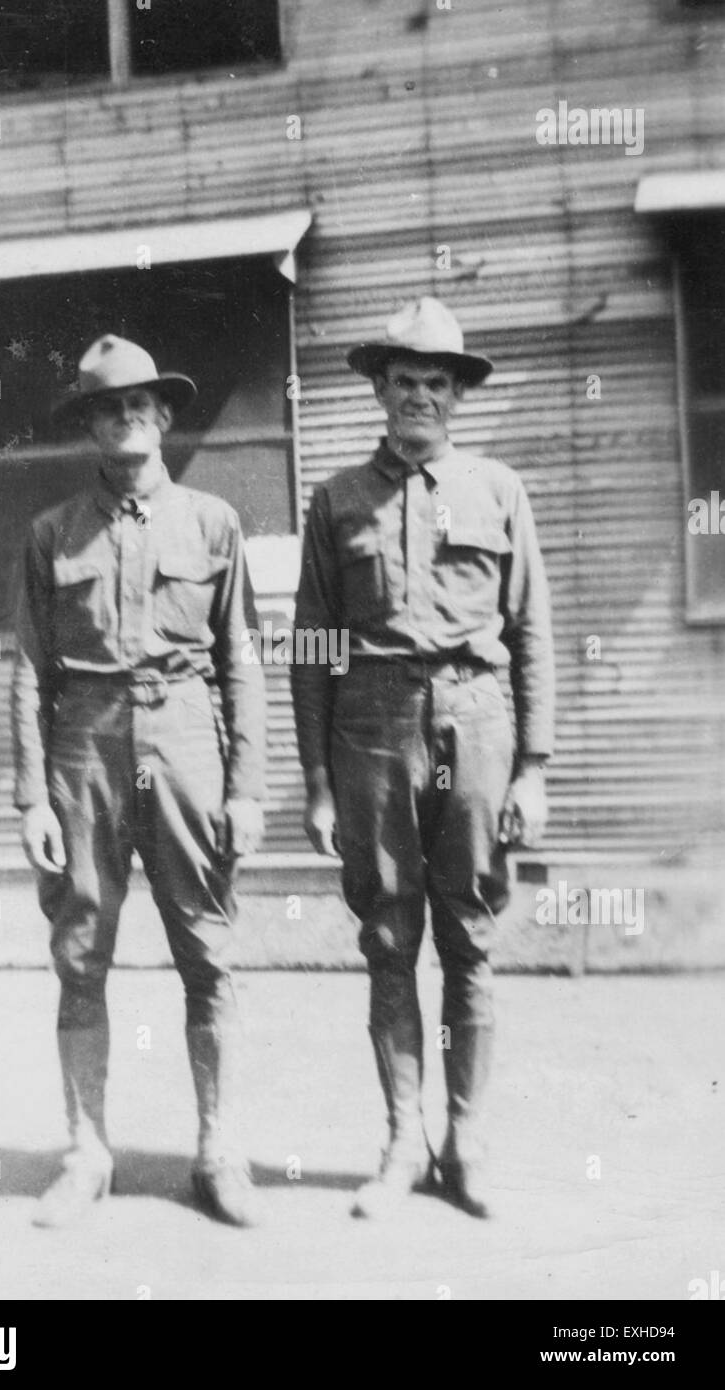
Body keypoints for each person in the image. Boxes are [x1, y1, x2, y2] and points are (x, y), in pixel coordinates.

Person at [291, 297, 554, 1220]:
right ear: (377, 389)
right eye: (403, 381)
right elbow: (314, 642)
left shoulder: (498, 491)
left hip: (477, 721)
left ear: (456, 395)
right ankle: (404, 1139)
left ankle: (466, 1143)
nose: (419, 398)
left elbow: (530, 635)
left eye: (436, 383)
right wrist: (318, 782)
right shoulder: (336, 500)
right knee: (388, 940)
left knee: (471, 940)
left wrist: (534, 766)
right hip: (372, 724)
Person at [11, 333, 266, 1228]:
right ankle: (86, 1153)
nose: (125, 418)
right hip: (84, 743)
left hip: (188, 735)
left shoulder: (212, 523)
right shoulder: (52, 534)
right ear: (90, 424)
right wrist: (34, 795)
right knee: (80, 954)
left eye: (139, 404)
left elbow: (242, 662)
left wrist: (247, 786)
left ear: (163, 416)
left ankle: (219, 1152)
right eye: (106, 406)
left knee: (209, 950)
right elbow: (31, 670)